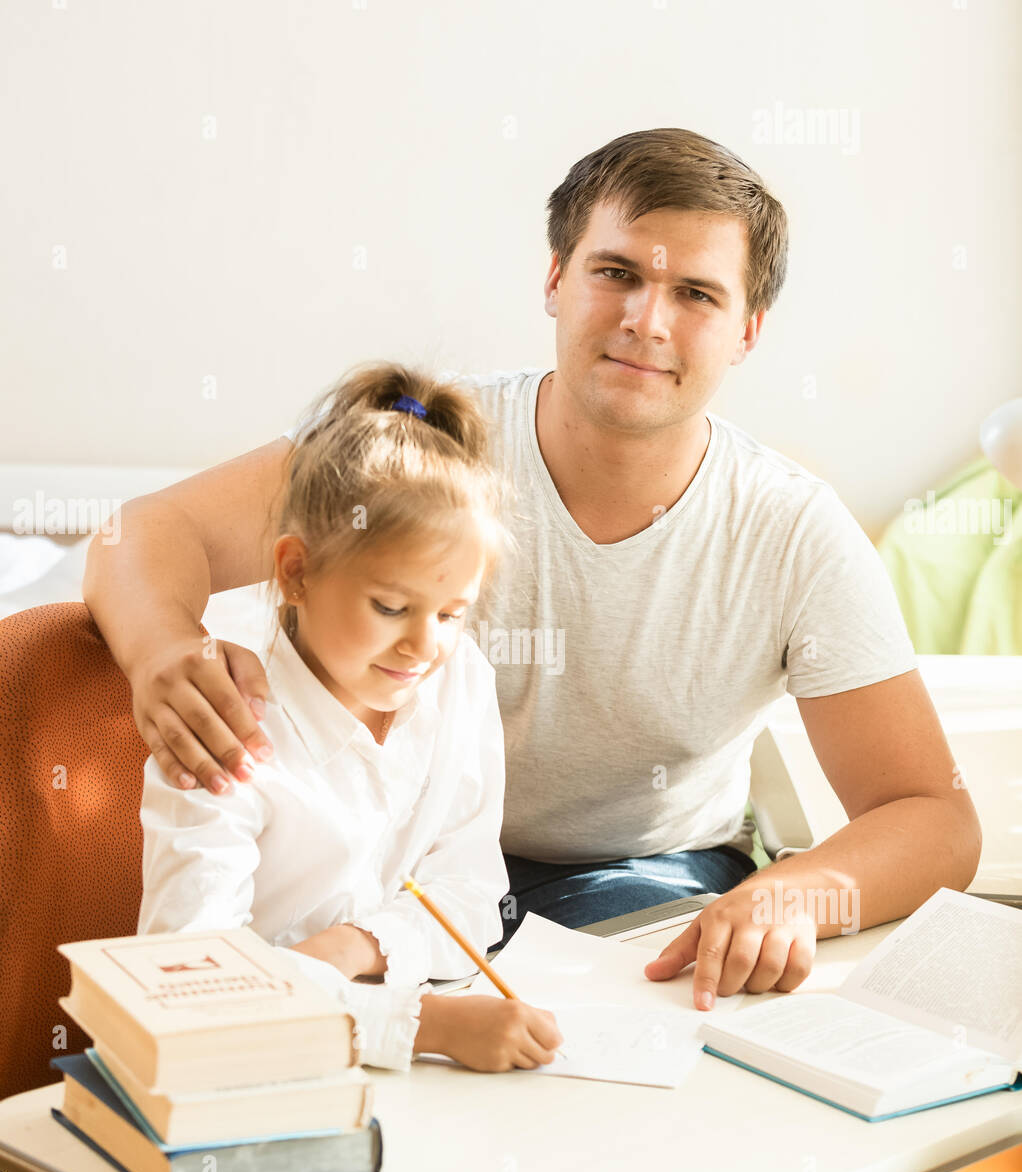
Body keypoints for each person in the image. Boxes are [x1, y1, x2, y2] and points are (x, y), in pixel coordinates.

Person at [85, 128, 981, 1015]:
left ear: (746, 331)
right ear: (556, 280)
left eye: (697, 294)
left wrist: (801, 891)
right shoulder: (428, 448)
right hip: (404, 872)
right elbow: (147, 533)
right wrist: (165, 646)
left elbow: (933, 817)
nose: (646, 320)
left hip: (640, 886)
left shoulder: (793, 528)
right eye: (617, 272)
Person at [135, 362, 563, 1073]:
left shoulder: (459, 681)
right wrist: (423, 1025)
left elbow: (473, 895)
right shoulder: (227, 725)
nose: (424, 647)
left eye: (452, 613)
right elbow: (192, 989)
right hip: (239, 1082)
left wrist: (353, 948)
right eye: (390, 608)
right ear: (296, 571)